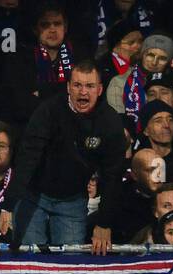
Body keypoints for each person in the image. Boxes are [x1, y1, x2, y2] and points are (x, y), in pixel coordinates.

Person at [11, 60, 125, 250]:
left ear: (99, 89)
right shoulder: (48, 111)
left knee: (69, 265)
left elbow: (113, 175)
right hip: (33, 196)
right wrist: (9, 203)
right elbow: (27, 159)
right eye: (77, 85)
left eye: (90, 86)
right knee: (29, 261)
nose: (83, 92)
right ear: (68, 87)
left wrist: (104, 223)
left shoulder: (109, 121)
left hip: (72, 201)